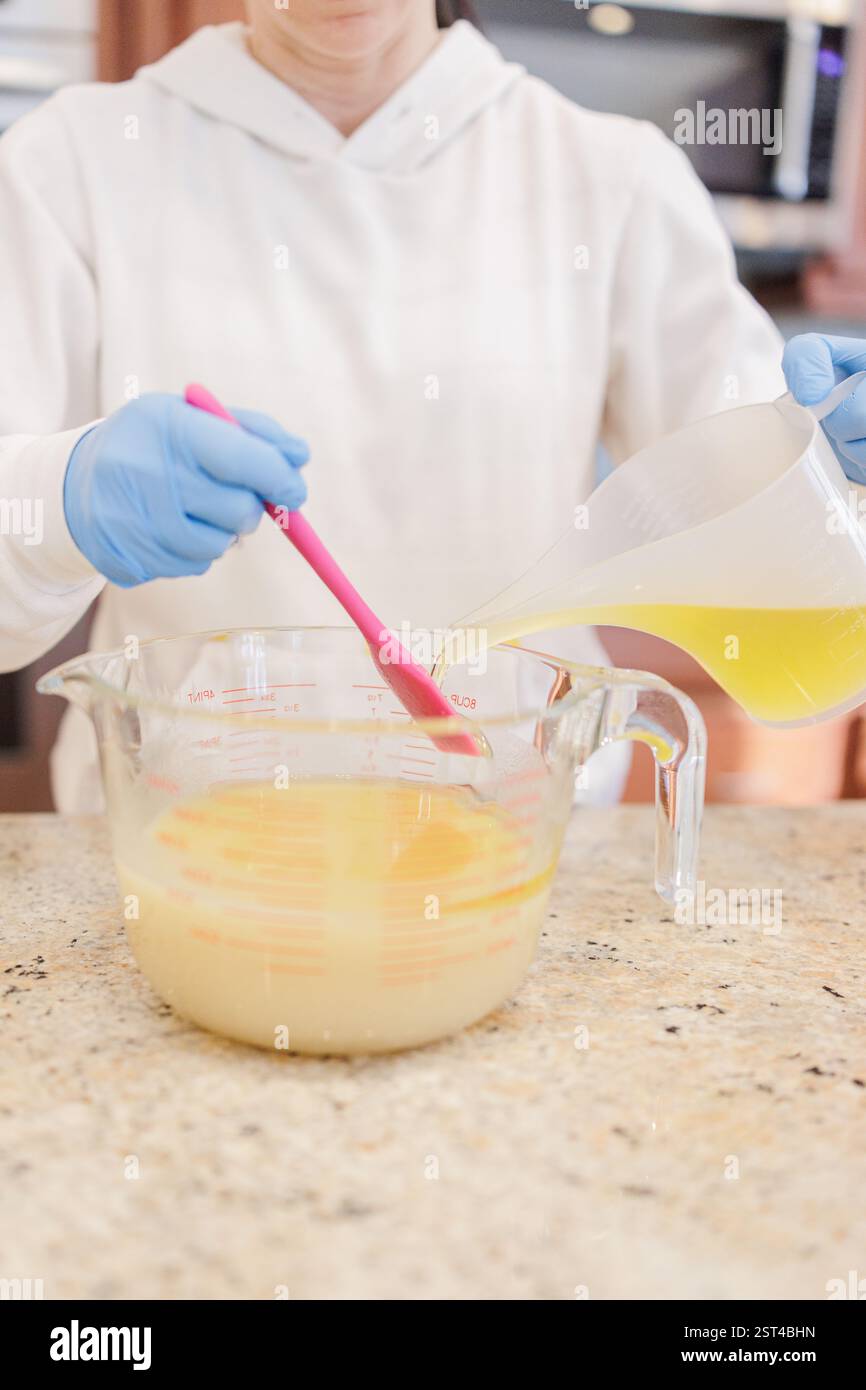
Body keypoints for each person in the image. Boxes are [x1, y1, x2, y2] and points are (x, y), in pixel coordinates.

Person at [0, 0, 863, 811]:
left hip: (519, 851)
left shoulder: (611, 175)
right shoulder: (69, 163)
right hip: (178, 851)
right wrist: (60, 498)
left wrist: (826, 476)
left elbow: (750, 509)